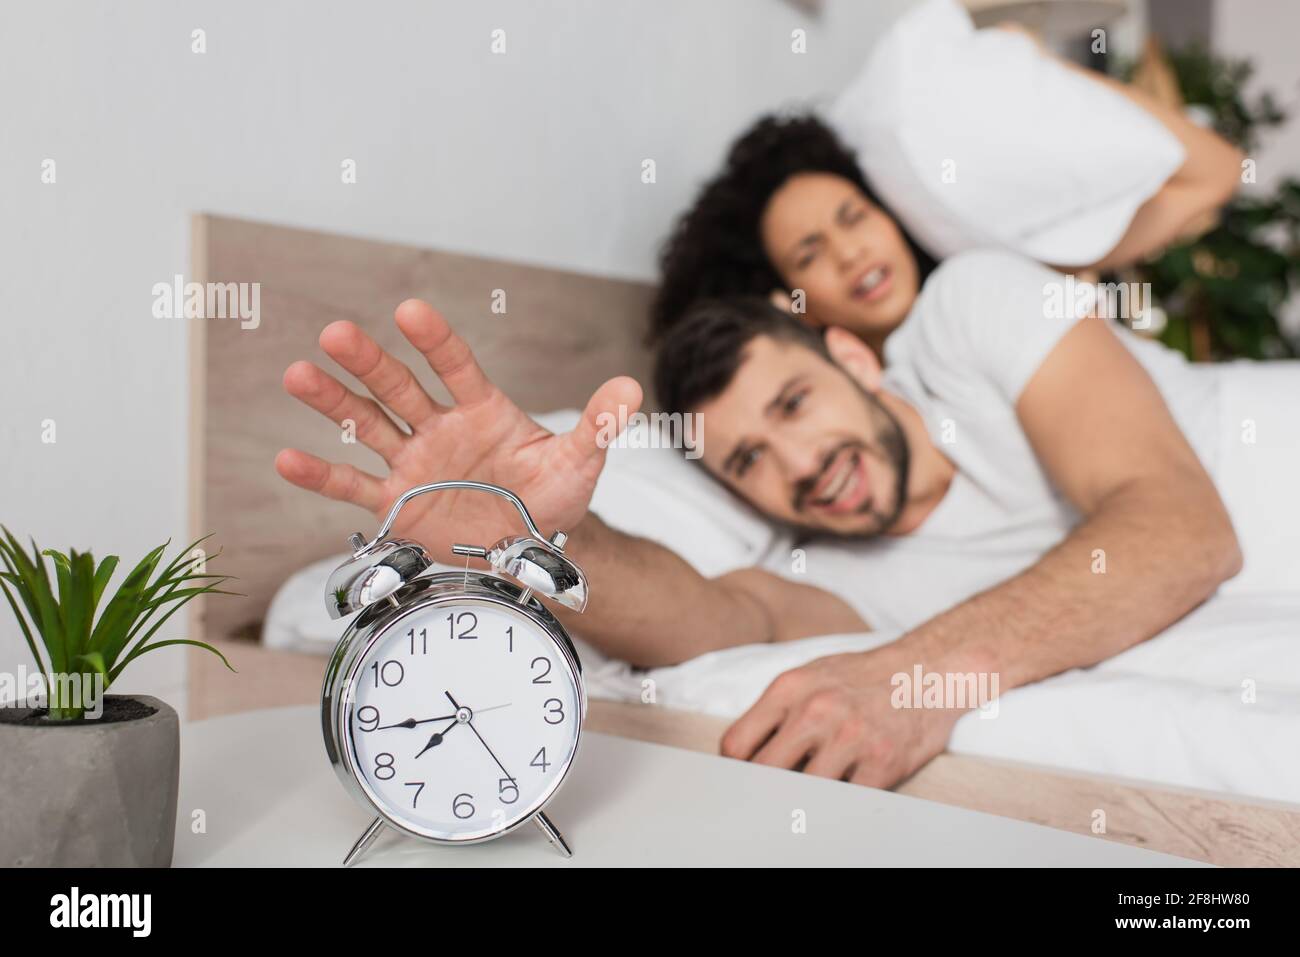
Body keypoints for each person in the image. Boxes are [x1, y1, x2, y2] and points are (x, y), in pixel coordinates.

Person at [276, 242, 1264, 787]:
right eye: (748, 460)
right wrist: (520, 533)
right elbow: (704, 621)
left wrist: (915, 679)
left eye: (794, 404)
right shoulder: (819, 576)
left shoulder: (969, 316)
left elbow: (1184, 529)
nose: (800, 465)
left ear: (854, 357)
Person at [650, 65, 1245, 352]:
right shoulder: (852, 422)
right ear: (793, 303)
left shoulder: (1021, 267)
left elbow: (1217, 173)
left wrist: (1038, 66)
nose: (849, 251)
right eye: (809, 253)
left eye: (853, 216)